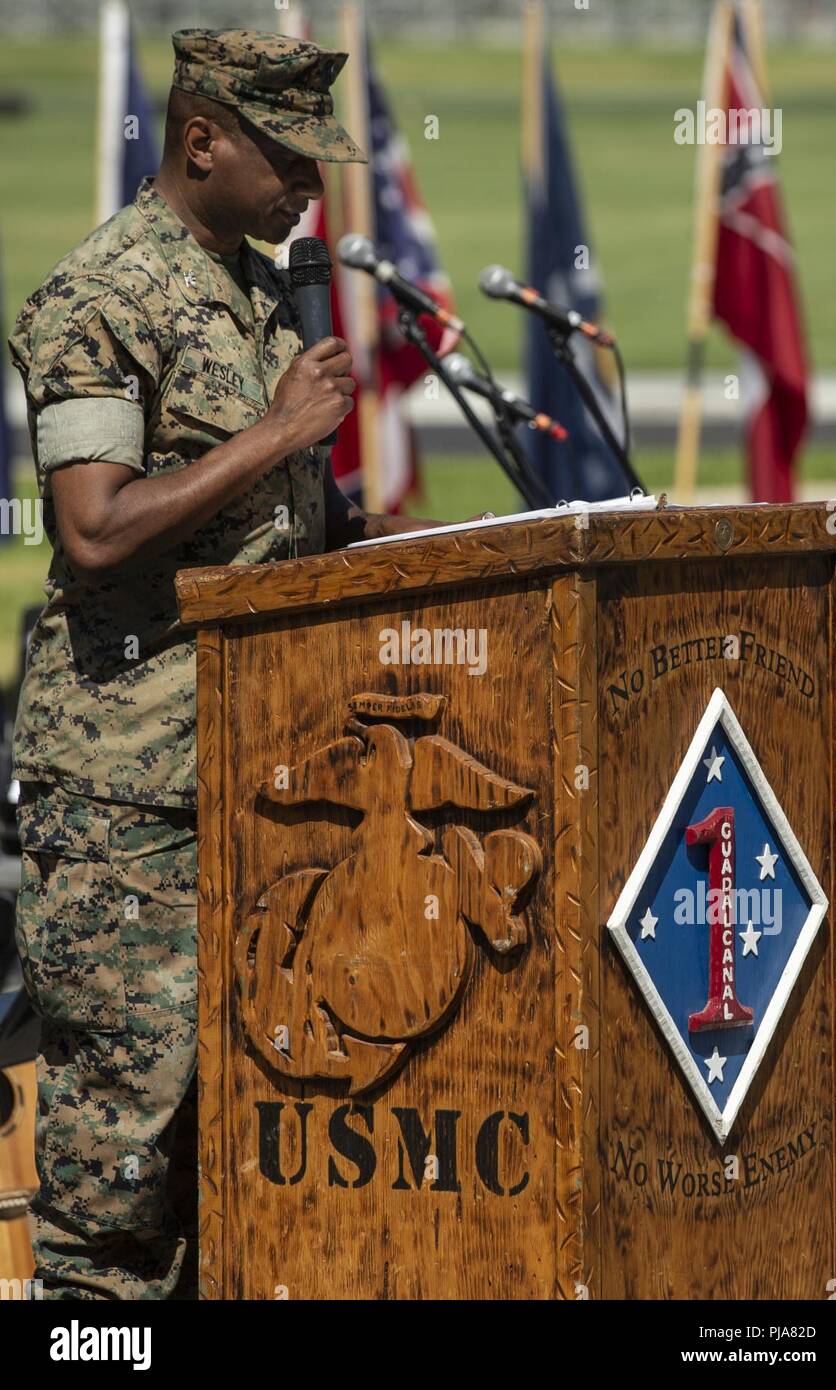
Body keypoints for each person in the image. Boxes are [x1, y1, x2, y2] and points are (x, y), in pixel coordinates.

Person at [7, 27, 442, 1300]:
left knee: (246, 1134)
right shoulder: (100, 294)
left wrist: (382, 540)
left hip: (269, 779)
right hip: (131, 796)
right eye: (287, 156)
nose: (312, 188)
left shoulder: (262, 297)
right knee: (122, 1170)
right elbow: (94, 529)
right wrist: (277, 433)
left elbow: (263, 533)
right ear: (200, 139)